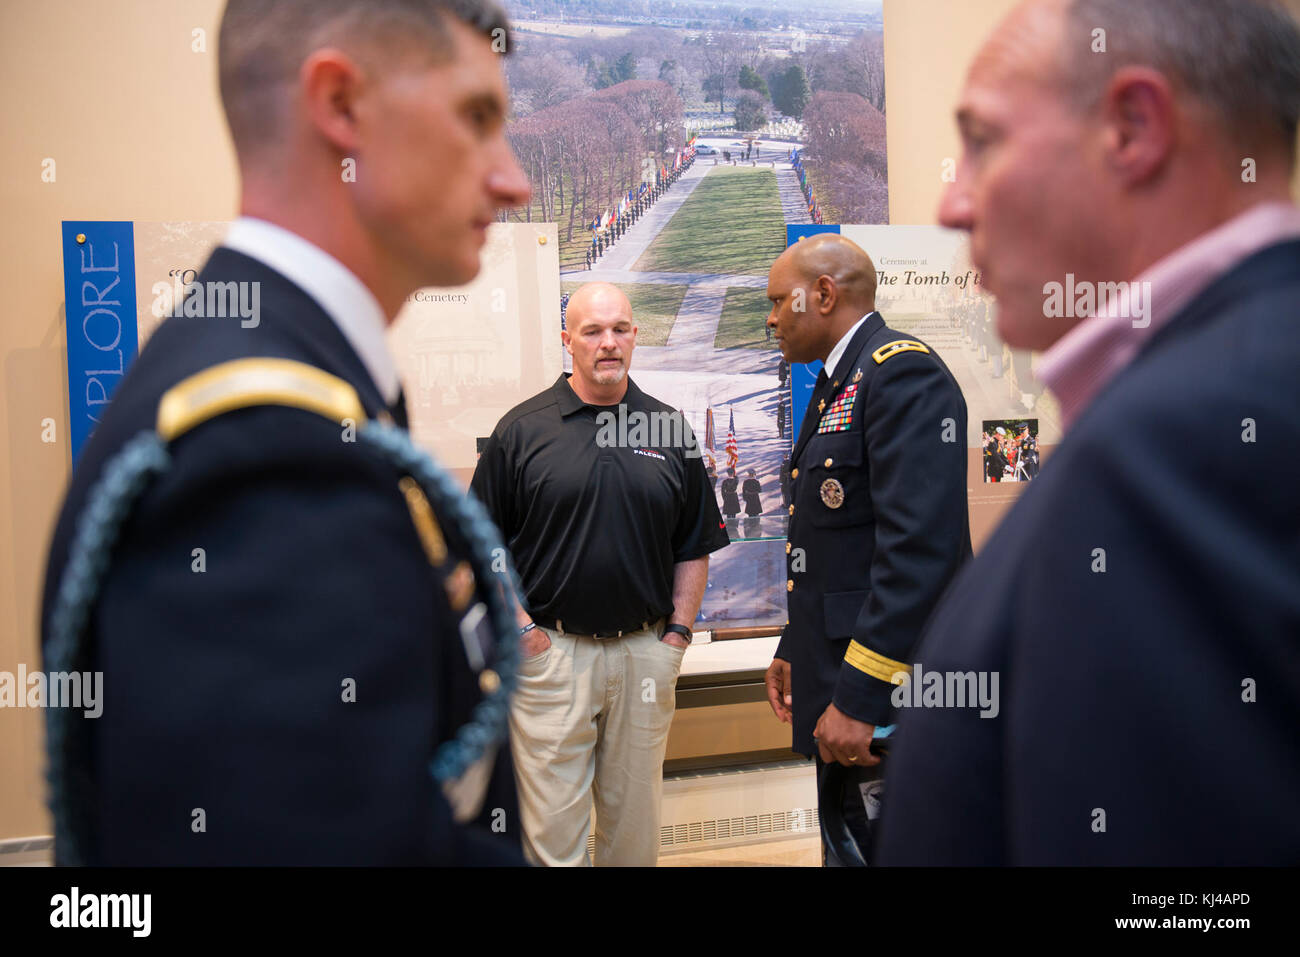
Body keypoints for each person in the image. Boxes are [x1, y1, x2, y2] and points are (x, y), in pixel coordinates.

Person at [39, 0, 532, 865]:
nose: (512, 178)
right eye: (476, 118)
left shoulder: (289, 382)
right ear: (340, 106)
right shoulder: (263, 443)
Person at [878, 0, 1300, 865]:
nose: (952, 203)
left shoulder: (1180, 440)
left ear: (1133, 128)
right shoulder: (1234, 378)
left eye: (983, 142)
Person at [470, 282, 729, 866]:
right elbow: (482, 544)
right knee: (552, 842)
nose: (608, 343)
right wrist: (522, 632)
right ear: (569, 341)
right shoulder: (522, 431)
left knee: (634, 836)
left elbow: (695, 544)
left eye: (619, 329)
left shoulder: (668, 429)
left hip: (645, 654)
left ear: (636, 336)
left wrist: (677, 636)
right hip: (552, 658)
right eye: (592, 331)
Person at [762, 233, 972, 865]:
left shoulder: (899, 373)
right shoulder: (840, 383)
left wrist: (860, 698)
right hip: (840, 676)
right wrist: (794, 646)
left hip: (886, 699)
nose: (771, 319)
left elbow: (918, 557)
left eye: (778, 302)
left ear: (823, 294)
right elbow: (836, 546)